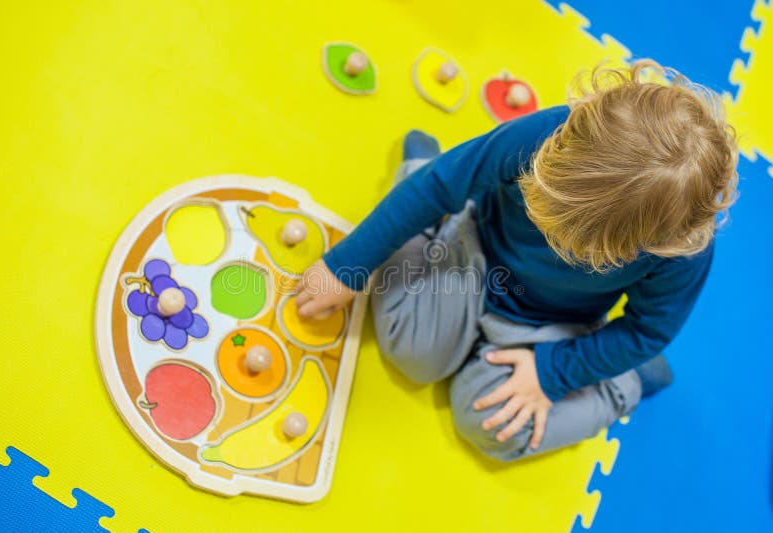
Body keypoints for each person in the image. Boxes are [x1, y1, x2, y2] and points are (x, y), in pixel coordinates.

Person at [294, 60, 738, 462]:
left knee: (491, 427)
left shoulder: (681, 247)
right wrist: (346, 264)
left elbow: (645, 330)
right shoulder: (545, 134)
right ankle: (417, 168)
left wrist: (551, 374)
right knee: (409, 352)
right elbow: (440, 186)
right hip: (475, 259)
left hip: (552, 329)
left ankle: (627, 384)